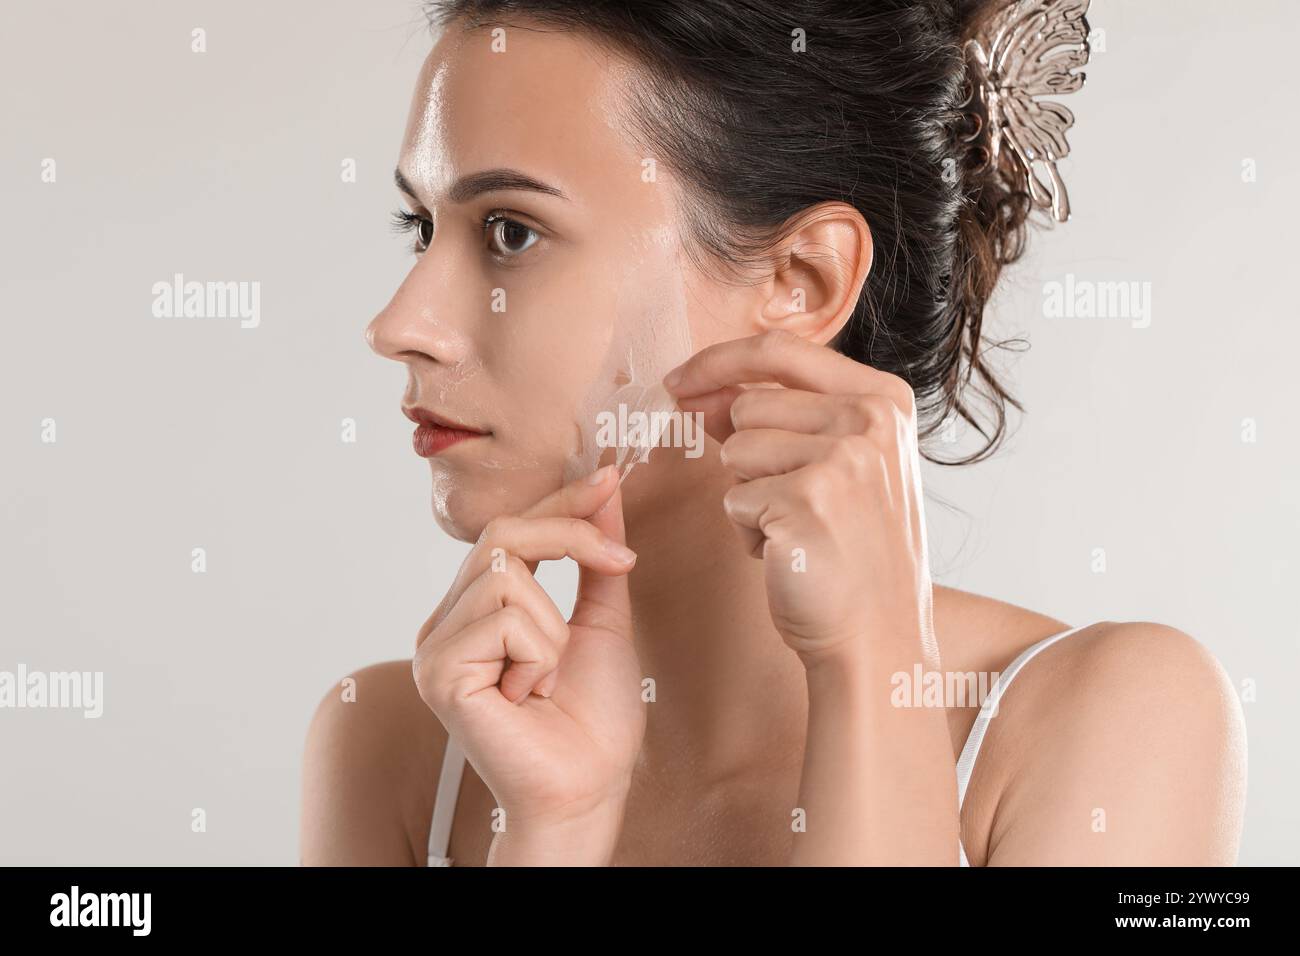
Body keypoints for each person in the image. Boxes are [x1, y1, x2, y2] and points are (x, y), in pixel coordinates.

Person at [300, 0, 1246, 866]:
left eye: (511, 232)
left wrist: (873, 669)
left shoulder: (1120, 717)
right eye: (420, 226)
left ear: (803, 280)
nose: (400, 324)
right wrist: (550, 829)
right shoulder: (395, 744)